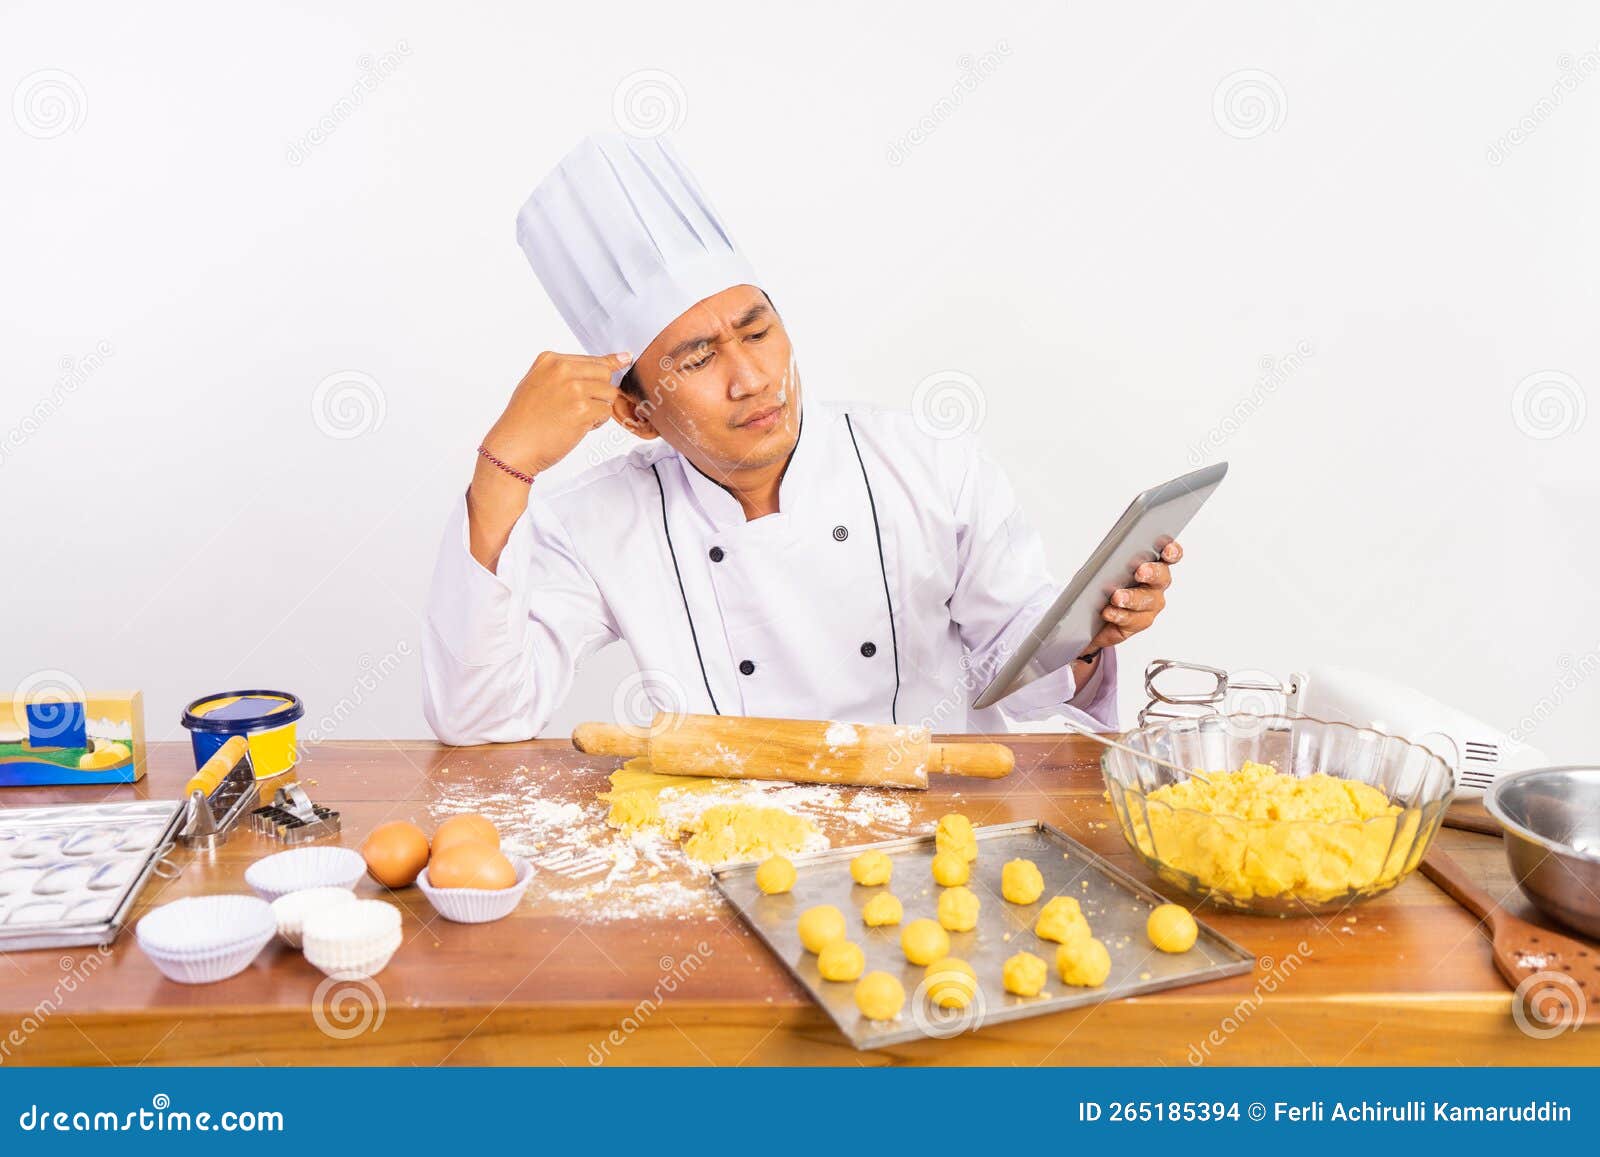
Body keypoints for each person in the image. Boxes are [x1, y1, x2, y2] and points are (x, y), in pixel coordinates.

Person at [421, 133, 1181, 744]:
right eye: (697, 357)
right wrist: (505, 465)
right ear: (636, 413)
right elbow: (480, 715)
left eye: (757, 330)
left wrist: (1088, 634)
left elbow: (1016, 655)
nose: (752, 377)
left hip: (942, 830)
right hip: (738, 848)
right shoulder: (596, 521)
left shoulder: (927, 462)